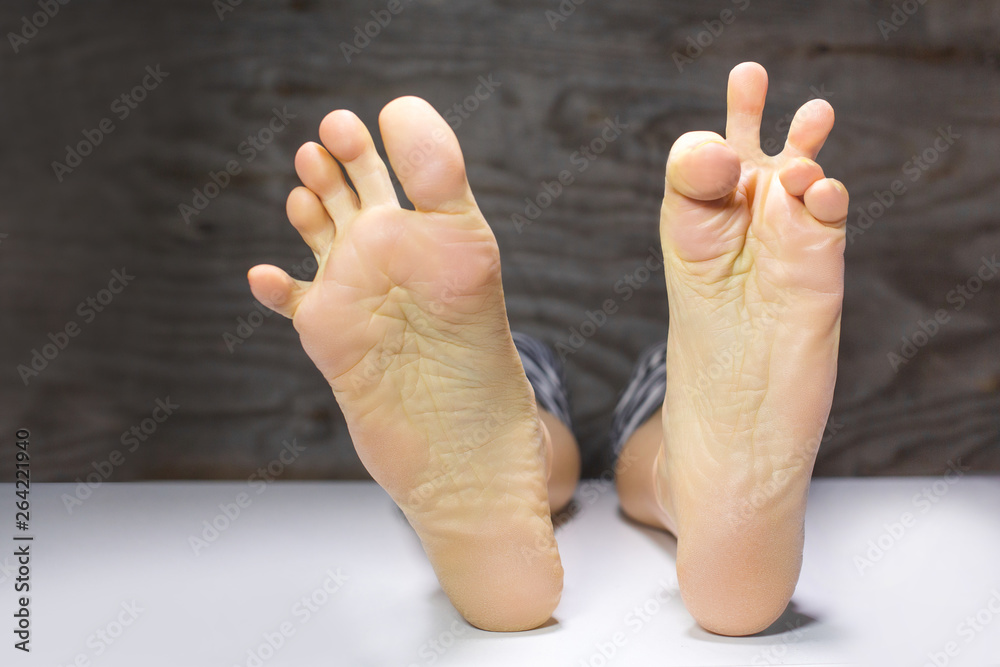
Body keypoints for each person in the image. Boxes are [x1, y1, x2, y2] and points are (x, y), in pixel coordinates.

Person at [247, 61, 848, 636]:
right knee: (662, 415)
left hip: (530, 362)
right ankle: (680, 487)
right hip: (664, 372)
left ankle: (529, 464)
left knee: (532, 398)